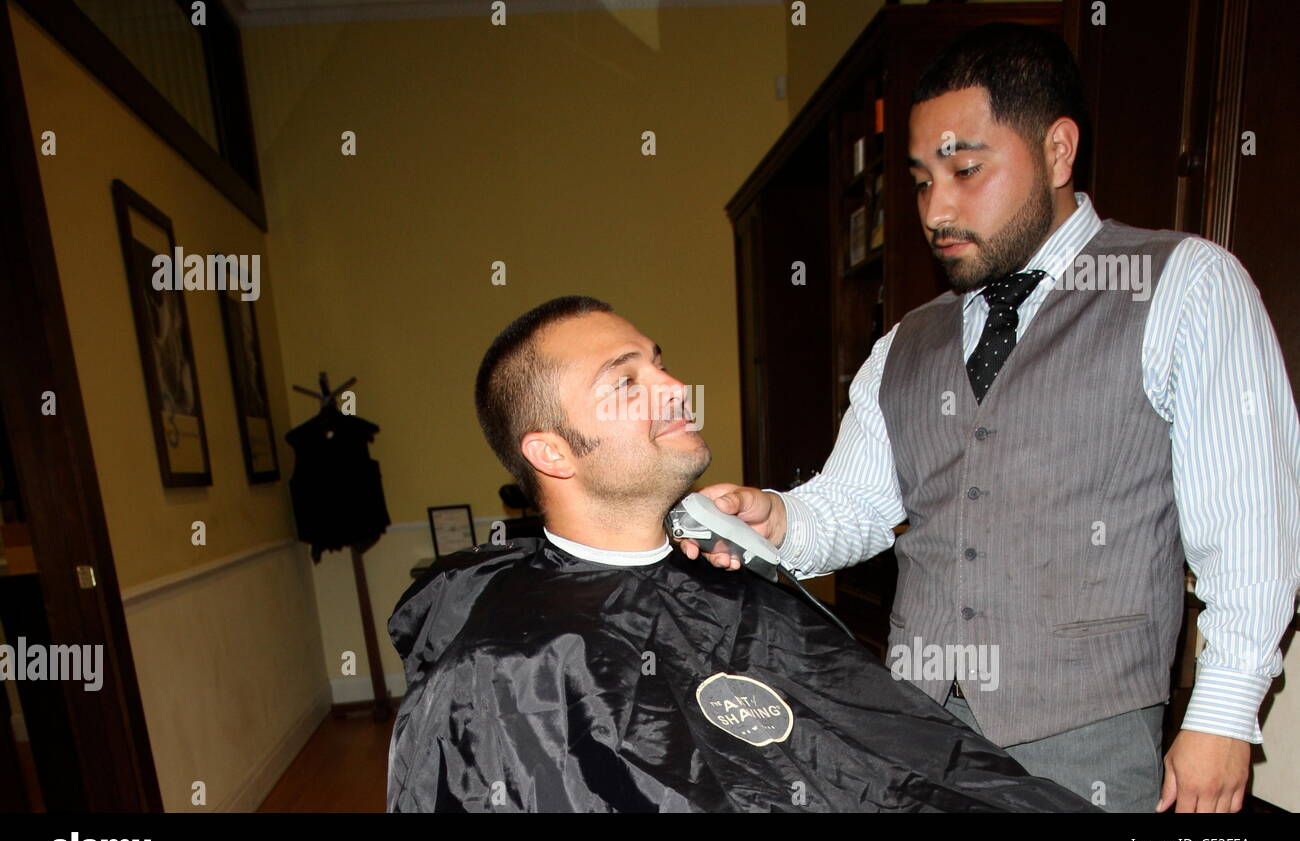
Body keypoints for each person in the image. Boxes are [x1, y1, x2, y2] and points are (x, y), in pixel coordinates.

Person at [681, 23, 1300, 814]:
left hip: (1086, 738)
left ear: (1058, 151)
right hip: (913, 725)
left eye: (966, 169)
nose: (937, 209)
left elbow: (1254, 522)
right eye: (919, 181)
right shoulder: (905, 341)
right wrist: (776, 517)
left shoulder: (1186, 286)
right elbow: (856, 506)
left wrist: (1223, 712)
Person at [385, 295, 1095, 812]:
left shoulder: (727, 568)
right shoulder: (502, 671)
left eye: (660, 365)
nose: (675, 389)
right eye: (626, 382)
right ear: (551, 452)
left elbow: (892, 761)